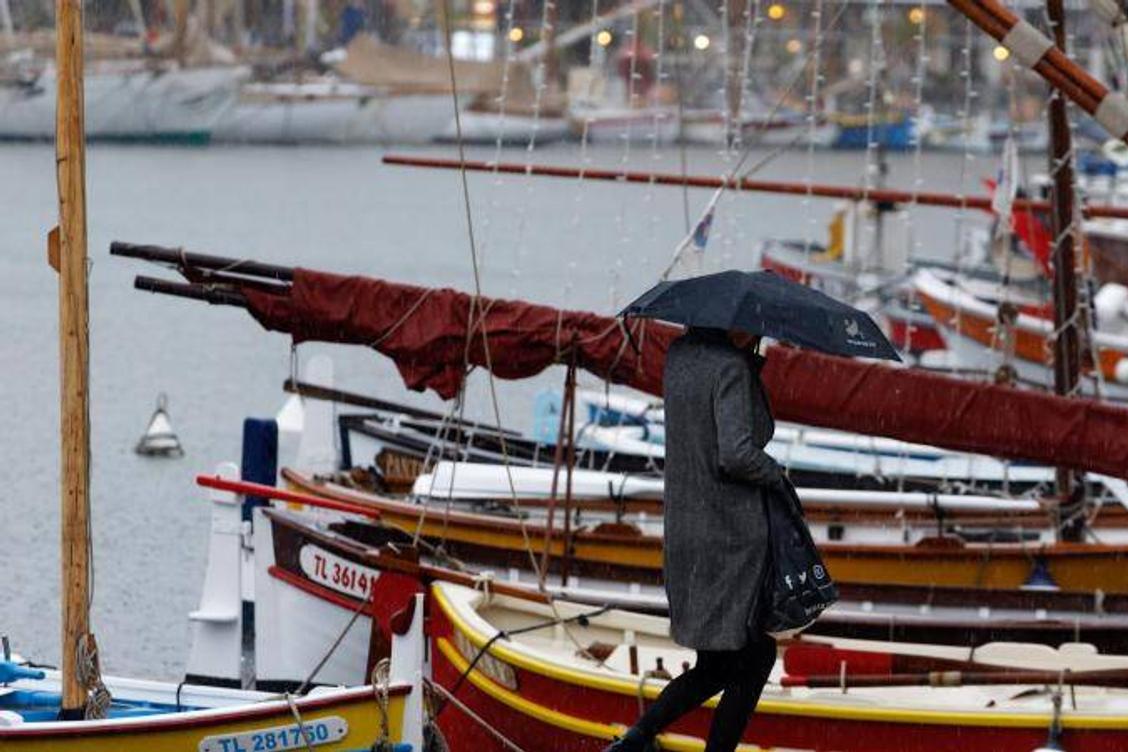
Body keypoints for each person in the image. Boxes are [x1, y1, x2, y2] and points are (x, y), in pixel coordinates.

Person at [605, 326, 782, 752]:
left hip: (687, 530)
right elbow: (738, 452)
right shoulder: (730, 368)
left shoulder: (680, 358)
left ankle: (636, 738)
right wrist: (776, 474)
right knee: (754, 657)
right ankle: (655, 740)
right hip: (729, 537)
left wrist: (749, 363)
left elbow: (702, 428)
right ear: (736, 325)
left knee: (718, 663)